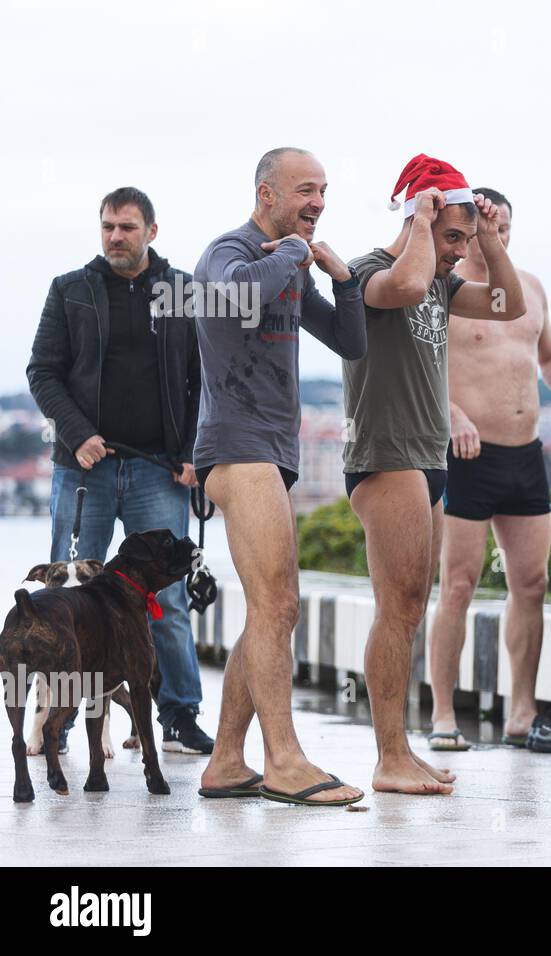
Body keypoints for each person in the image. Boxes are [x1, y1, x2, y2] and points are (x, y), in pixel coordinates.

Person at [342, 154, 526, 790]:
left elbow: (506, 303)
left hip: (429, 459)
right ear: (418, 216)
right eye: (453, 237)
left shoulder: (444, 280)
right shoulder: (369, 272)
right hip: (386, 457)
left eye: (464, 240)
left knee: (410, 608)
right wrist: (422, 224)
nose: (457, 252)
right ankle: (389, 757)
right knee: (396, 609)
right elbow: (408, 286)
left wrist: (491, 241)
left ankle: (402, 747)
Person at [194, 147, 368, 807]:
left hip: (271, 449)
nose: (318, 202)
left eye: (323, 191)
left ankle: (227, 763)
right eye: (305, 190)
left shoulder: (286, 262)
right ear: (266, 193)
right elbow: (238, 297)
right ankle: (286, 762)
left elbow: (349, 343)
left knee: (265, 613)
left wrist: (345, 281)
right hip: (237, 447)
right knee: (279, 606)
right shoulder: (229, 252)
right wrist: (295, 253)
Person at [27, 186, 213, 755]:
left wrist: (192, 451)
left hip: (159, 470)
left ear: (151, 231)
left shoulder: (183, 292)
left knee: (168, 601)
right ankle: (52, 723)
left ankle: (177, 717)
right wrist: (78, 433)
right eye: (107, 226)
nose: (115, 237)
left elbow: (201, 378)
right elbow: (43, 372)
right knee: (65, 599)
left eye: (127, 227)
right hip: (85, 470)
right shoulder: (71, 290)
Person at [430, 186, 551, 752]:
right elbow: (422, 369)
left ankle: (523, 709)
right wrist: (452, 416)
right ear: (469, 233)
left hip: (525, 454)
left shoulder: (530, 290)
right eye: (489, 232)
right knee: (459, 585)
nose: (499, 241)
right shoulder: (446, 290)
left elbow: (548, 356)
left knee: (532, 583)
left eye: (507, 232)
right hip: (467, 454)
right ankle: (444, 712)